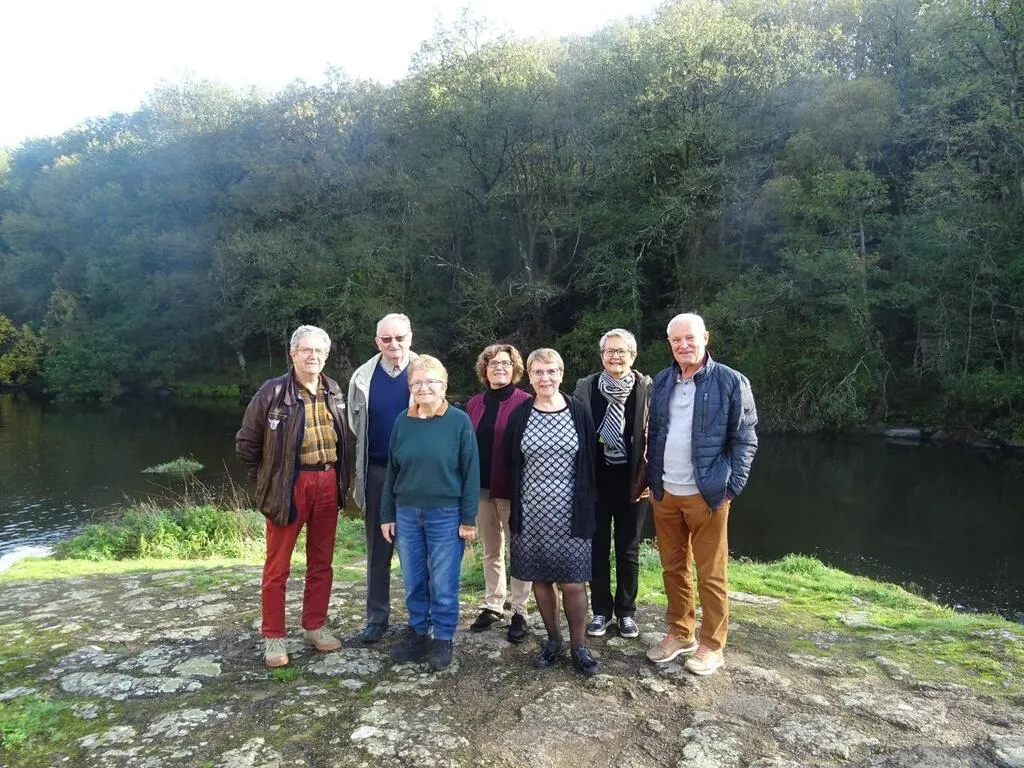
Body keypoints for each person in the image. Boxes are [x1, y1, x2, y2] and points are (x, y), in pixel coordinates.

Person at [645, 313, 758, 675]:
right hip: (665, 493)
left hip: (707, 495)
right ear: (670, 344)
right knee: (673, 568)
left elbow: (745, 439)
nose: (683, 345)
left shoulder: (730, 381)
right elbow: (655, 436)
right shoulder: (662, 381)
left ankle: (712, 643)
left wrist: (731, 487)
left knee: (711, 573)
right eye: (676, 340)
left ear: (705, 337)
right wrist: (651, 482)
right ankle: (680, 633)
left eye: (690, 338)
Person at [236, 325, 350, 667]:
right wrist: (268, 480)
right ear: (293, 354)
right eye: (305, 350)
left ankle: (314, 626)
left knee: (322, 562)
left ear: (326, 356)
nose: (312, 356)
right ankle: (273, 636)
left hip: (328, 482)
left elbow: (345, 438)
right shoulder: (272, 393)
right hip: (290, 485)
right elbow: (246, 444)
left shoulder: (333, 390)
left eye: (319, 351)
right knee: (277, 566)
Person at [380, 355, 480, 671]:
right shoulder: (402, 421)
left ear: (444, 386)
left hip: (446, 514)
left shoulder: (459, 421)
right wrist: (387, 514)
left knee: (444, 581)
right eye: (418, 382)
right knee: (413, 579)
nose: (424, 387)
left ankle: (443, 639)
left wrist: (468, 518)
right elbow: (392, 472)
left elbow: (471, 472)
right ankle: (419, 633)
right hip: (407, 513)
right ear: (410, 387)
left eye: (431, 381)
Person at [505, 348, 599, 676]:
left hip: (571, 510)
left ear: (562, 373)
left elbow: (591, 462)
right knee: (541, 579)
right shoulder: (520, 414)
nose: (545, 378)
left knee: (573, 582)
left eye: (551, 371)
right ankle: (553, 640)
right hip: (531, 511)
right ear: (529, 376)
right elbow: (510, 461)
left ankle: (579, 646)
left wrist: (589, 503)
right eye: (538, 373)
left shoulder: (579, 411)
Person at [572, 329, 652, 640]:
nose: (615, 357)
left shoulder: (646, 388)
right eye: (610, 351)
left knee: (628, 549)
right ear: (602, 355)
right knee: (598, 548)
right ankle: (601, 611)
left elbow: (654, 433)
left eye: (621, 352)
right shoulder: (586, 387)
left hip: (632, 482)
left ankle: (627, 612)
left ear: (632, 356)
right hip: (596, 481)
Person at [348, 313, 417, 644]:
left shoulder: (426, 371)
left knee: (418, 550)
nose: (394, 344)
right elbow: (353, 426)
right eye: (386, 339)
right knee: (378, 550)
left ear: (410, 337)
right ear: (377, 341)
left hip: (417, 476)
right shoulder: (362, 376)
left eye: (399, 338)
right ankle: (377, 618)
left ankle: (420, 619)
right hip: (377, 472)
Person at [465, 344, 533, 643]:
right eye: (492, 363)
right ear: (484, 368)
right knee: (491, 550)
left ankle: (519, 609)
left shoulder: (526, 402)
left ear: (515, 368)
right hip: (481, 487)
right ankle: (494, 604)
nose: (499, 368)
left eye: (505, 363)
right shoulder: (474, 404)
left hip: (513, 488)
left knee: (518, 548)